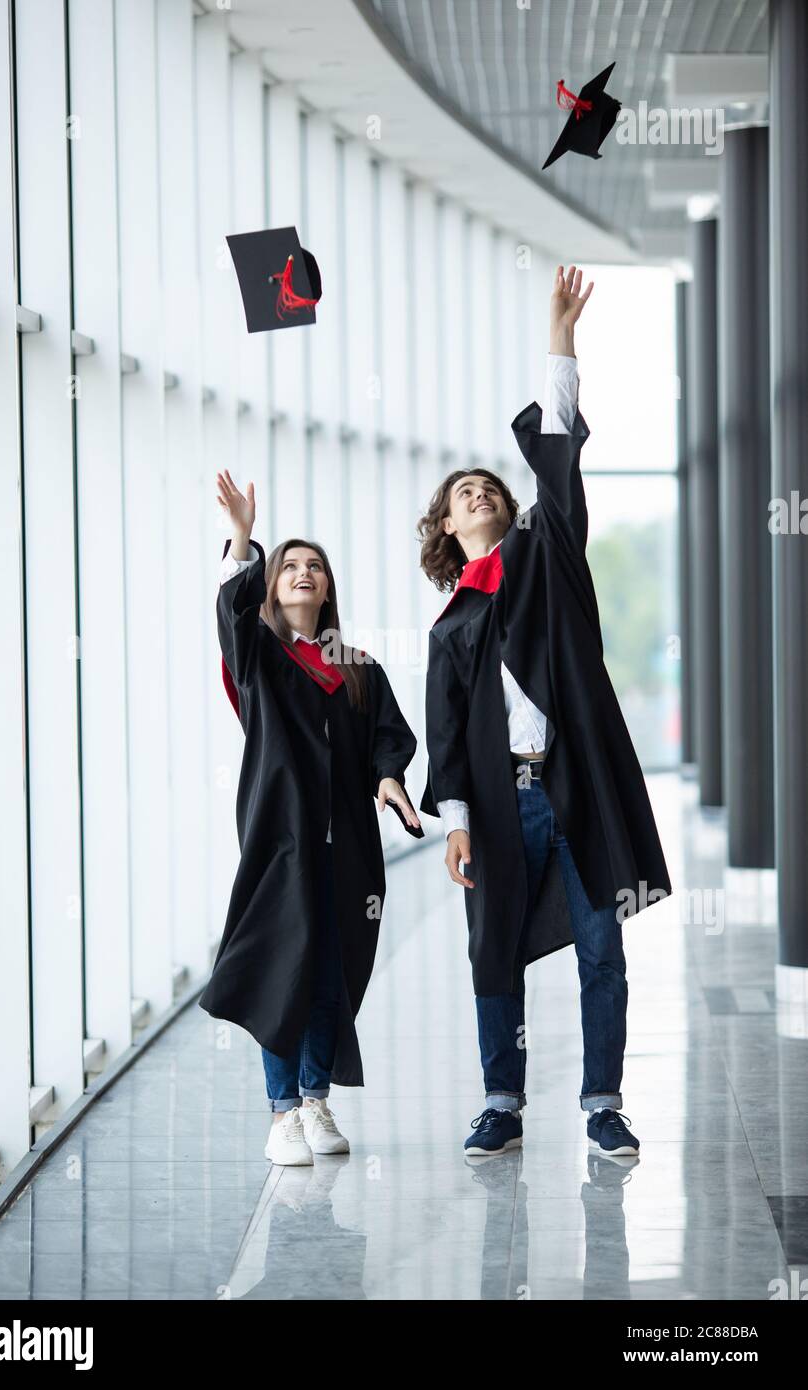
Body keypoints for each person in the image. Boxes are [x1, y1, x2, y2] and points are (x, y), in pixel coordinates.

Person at [418, 265, 672, 1160]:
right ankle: (501, 1100)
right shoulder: (452, 622)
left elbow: (559, 461)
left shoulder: (543, 553)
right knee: (495, 955)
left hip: (578, 786)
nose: (481, 494)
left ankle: (603, 1102)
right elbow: (445, 730)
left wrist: (560, 344)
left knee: (603, 944)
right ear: (446, 527)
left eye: (490, 486)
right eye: (463, 494)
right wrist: (454, 821)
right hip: (497, 801)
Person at [199, 473, 420, 1166]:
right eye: (289, 566)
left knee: (332, 972)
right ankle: (283, 1112)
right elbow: (232, 614)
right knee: (280, 970)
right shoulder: (259, 659)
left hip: (348, 846)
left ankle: (316, 1096)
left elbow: (389, 735)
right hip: (280, 845)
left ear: (327, 590)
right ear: (273, 587)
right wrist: (242, 537)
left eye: (313, 567)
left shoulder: (357, 669)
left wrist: (389, 777)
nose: (301, 573)